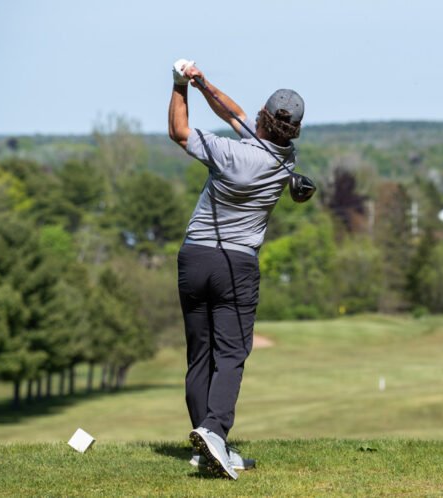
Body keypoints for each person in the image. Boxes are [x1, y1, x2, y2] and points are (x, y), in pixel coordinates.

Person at [168, 59, 304, 480]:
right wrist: (205, 83)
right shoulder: (284, 156)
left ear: (262, 118)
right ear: (292, 130)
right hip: (236, 266)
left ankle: (209, 437)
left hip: (195, 259)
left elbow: (179, 131)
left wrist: (179, 86)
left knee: (201, 355)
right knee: (232, 354)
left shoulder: (228, 153)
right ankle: (213, 435)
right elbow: (233, 112)